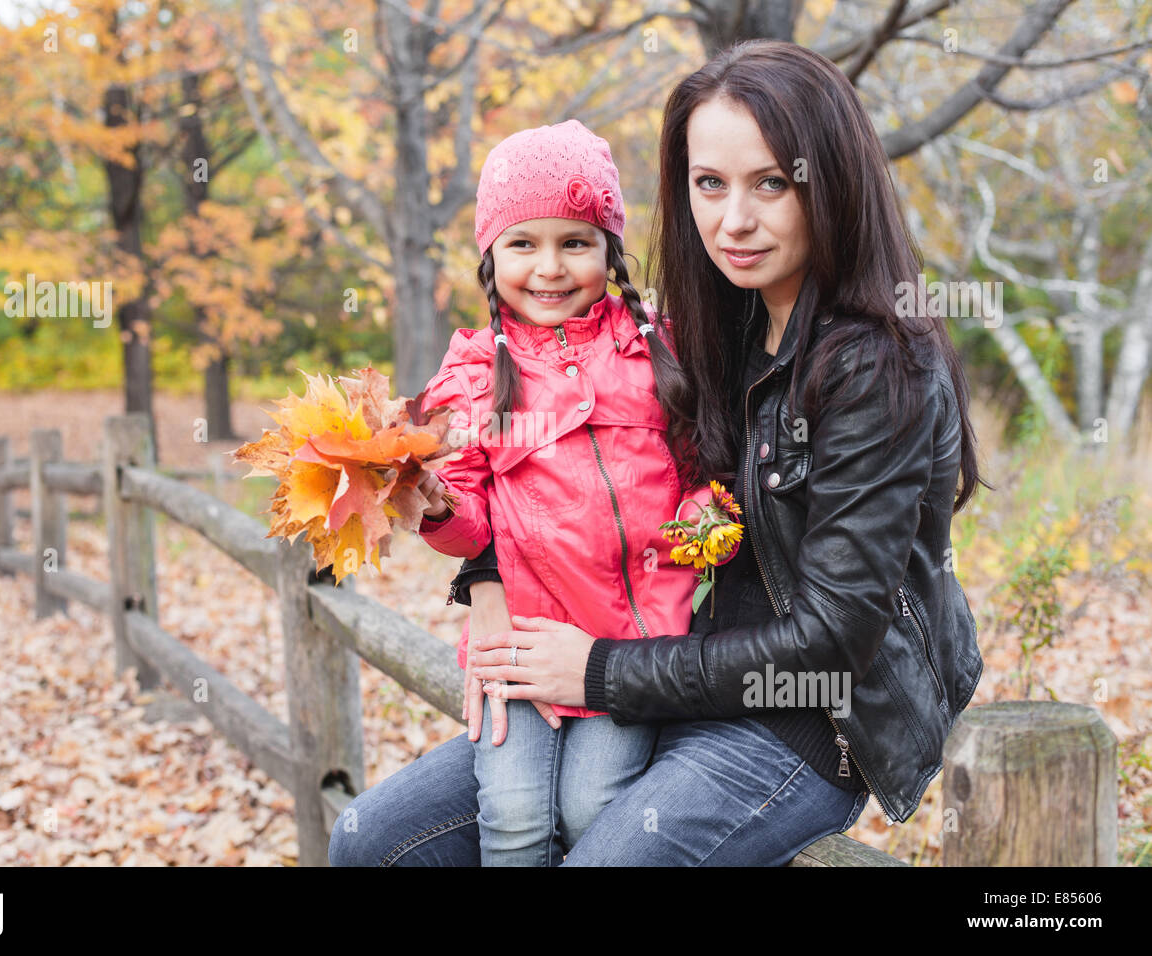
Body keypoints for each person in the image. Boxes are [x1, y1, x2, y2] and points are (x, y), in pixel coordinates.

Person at [329, 39, 986, 867]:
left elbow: (833, 637)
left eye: (771, 184)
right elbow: (566, 479)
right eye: (709, 183)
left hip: (801, 718)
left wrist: (601, 673)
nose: (733, 220)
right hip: (664, 666)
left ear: (832, 183)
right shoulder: (712, 324)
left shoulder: (877, 363)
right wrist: (486, 577)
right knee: (371, 841)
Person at [407, 119, 705, 865]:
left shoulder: (656, 350)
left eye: (575, 242)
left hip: (628, 646)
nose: (549, 267)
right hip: (520, 648)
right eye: (523, 244)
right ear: (490, 255)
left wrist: (702, 521)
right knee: (512, 819)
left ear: (610, 248)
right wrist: (438, 506)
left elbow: (704, 467)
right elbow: (471, 526)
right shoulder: (475, 375)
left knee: (594, 807)